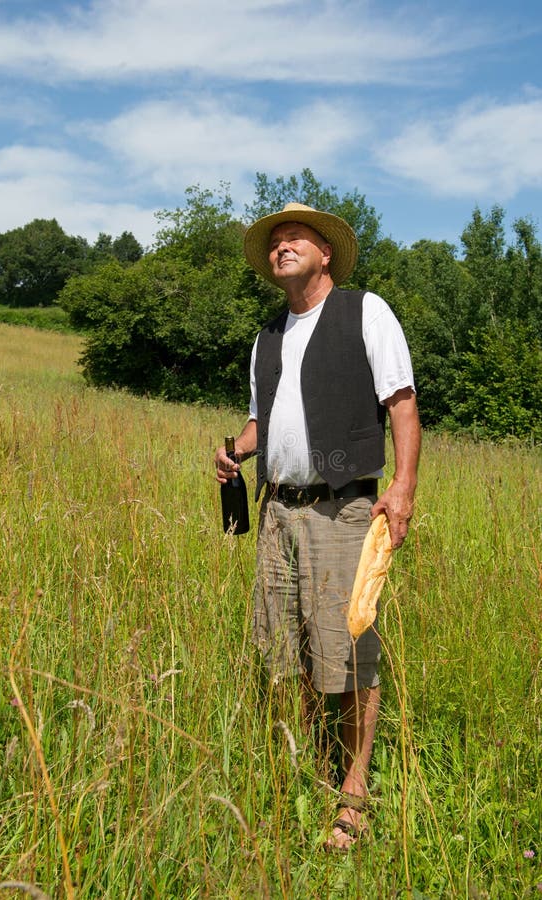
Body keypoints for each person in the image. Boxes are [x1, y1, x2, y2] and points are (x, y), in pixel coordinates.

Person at [214, 202, 421, 851]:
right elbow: (261, 419)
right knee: (292, 652)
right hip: (277, 510)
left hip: (343, 508)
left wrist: (403, 488)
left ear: (324, 251)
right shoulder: (267, 337)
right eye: (274, 241)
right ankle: (318, 763)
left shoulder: (365, 312)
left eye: (294, 236)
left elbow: (402, 404)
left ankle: (354, 794)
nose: (282, 246)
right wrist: (236, 451)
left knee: (350, 653)